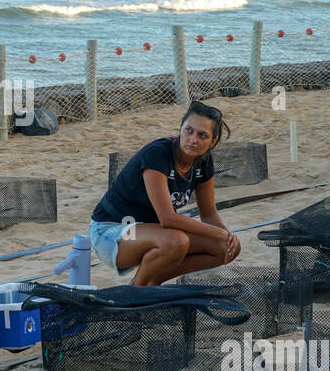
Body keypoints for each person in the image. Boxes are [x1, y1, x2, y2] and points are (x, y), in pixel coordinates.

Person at [89, 101, 240, 287]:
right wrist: (219, 233)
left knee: (226, 249)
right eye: (189, 131)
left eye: (202, 135)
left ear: (212, 141)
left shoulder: (203, 161)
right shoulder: (157, 154)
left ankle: (153, 281)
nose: (193, 139)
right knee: (176, 241)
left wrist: (227, 237)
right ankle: (136, 291)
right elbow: (168, 219)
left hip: (151, 231)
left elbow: (208, 214)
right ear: (180, 128)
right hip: (112, 231)